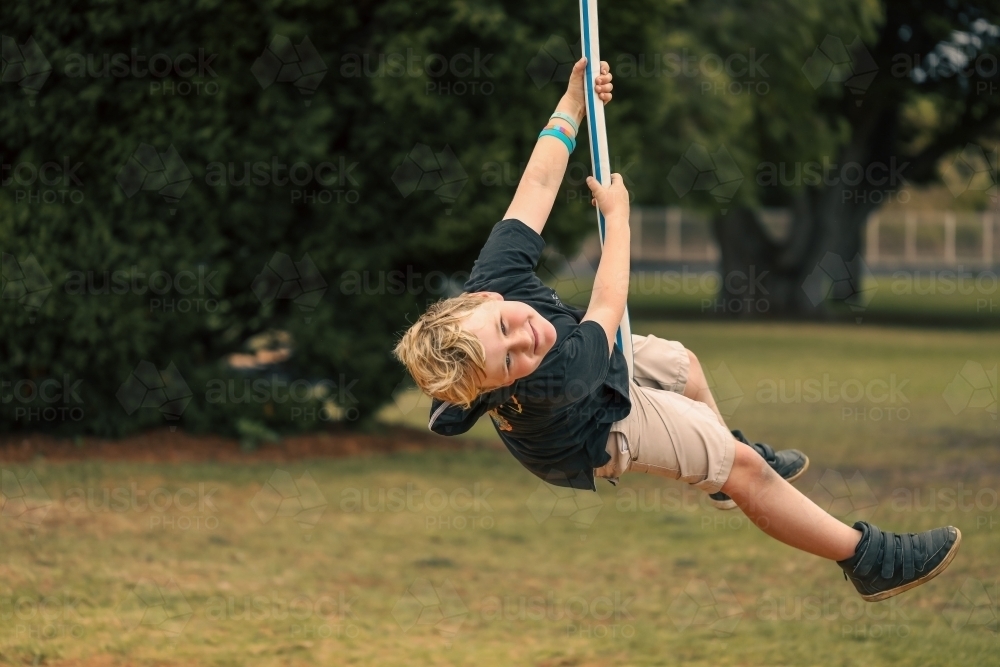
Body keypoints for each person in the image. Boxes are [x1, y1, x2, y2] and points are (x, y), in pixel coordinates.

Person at [392, 57, 961, 602]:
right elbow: (608, 303)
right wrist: (618, 217)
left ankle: (725, 463)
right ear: (501, 381)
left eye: (505, 326)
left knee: (683, 366)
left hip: (587, 353)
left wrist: (570, 106)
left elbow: (537, 187)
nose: (526, 339)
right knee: (746, 470)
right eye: (510, 359)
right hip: (593, 428)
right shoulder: (553, 375)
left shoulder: (496, 272)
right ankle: (866, 559)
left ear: (485, 295)